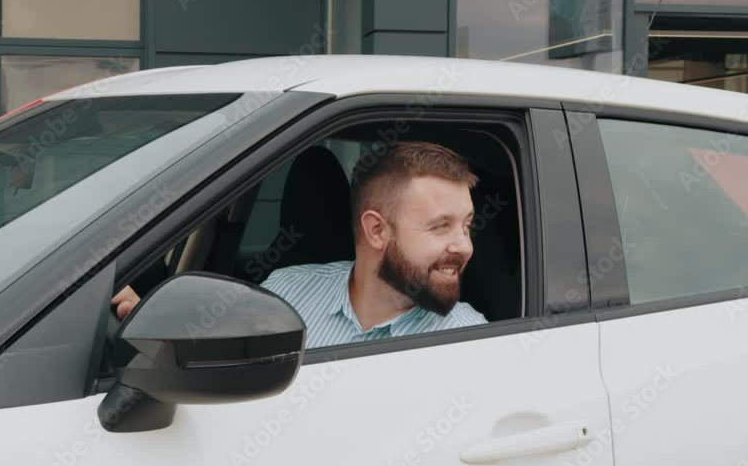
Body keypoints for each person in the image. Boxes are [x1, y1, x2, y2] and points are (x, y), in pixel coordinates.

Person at [111, 141, 487, 348]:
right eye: (441, 227)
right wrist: (151, 319)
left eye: (466, 226)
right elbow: (219, 357)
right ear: (376, 231)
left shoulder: (469, 341)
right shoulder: (287, 291)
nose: (464, 246)